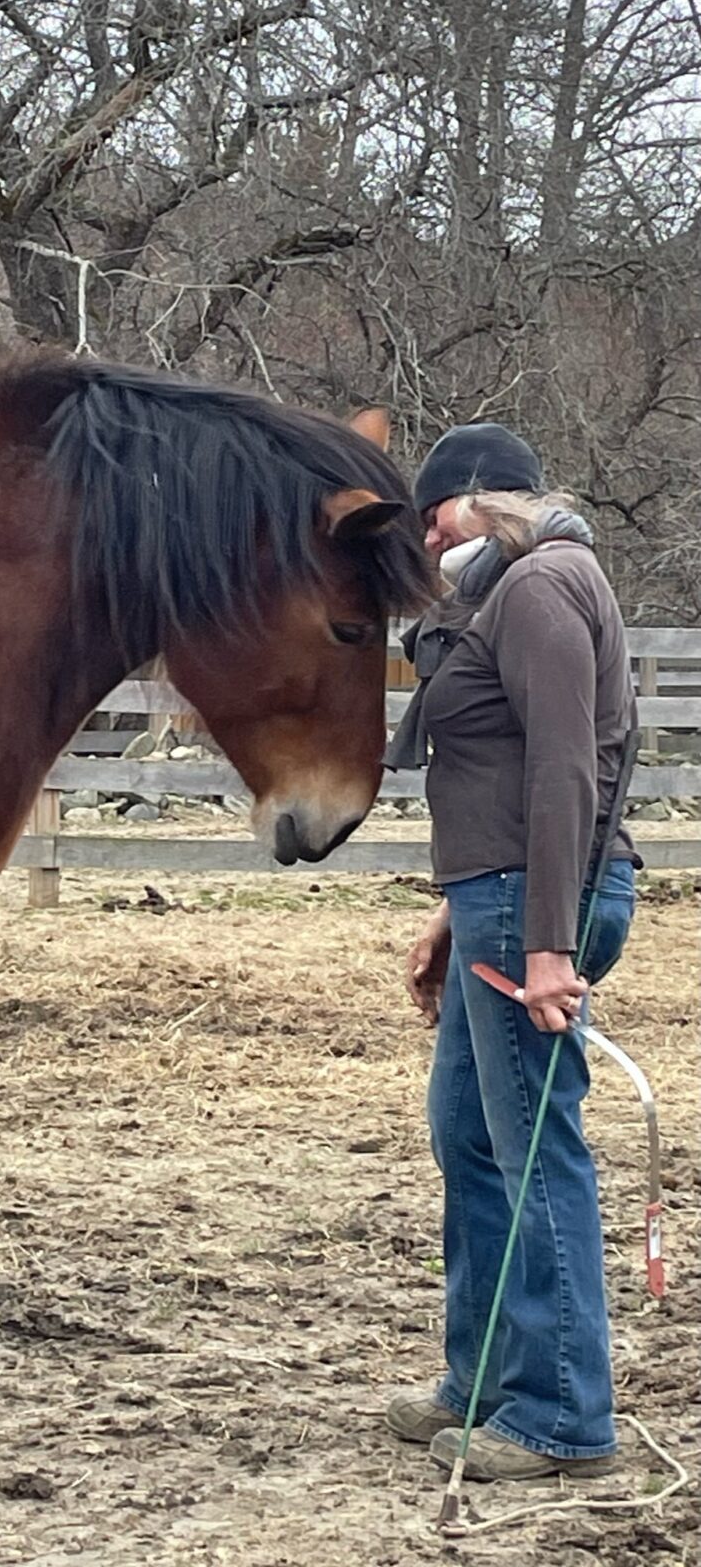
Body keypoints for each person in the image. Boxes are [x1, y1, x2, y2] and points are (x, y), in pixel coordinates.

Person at [383, 423, 639, 1481]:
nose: (425, 537)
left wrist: (542, 944)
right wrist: (456, 913)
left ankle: (562, 1417)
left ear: (483, 498)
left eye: (433, 512)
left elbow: (564, 769)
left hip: (536, 902)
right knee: (469, 1135)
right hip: (495, 896)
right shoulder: (507, 590)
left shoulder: (538, 586)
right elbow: (499, 769)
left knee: (532, 1148)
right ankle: (484, 1375)